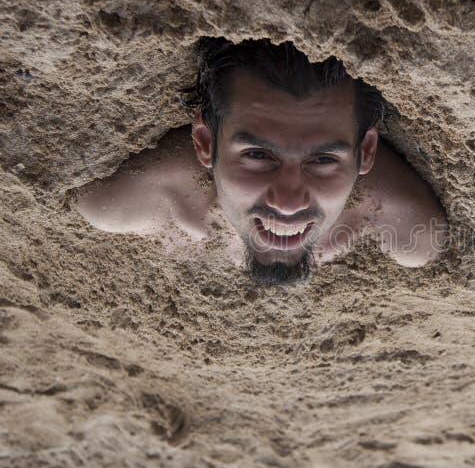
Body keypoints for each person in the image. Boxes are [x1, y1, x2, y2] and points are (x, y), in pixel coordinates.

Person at [76, 38, 448, 284]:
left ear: (365, 152)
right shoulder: (129, 200)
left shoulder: (398, 220)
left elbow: (423, 243)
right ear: (204, 142)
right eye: (257, 155)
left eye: (322, 158)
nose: (288, 203)